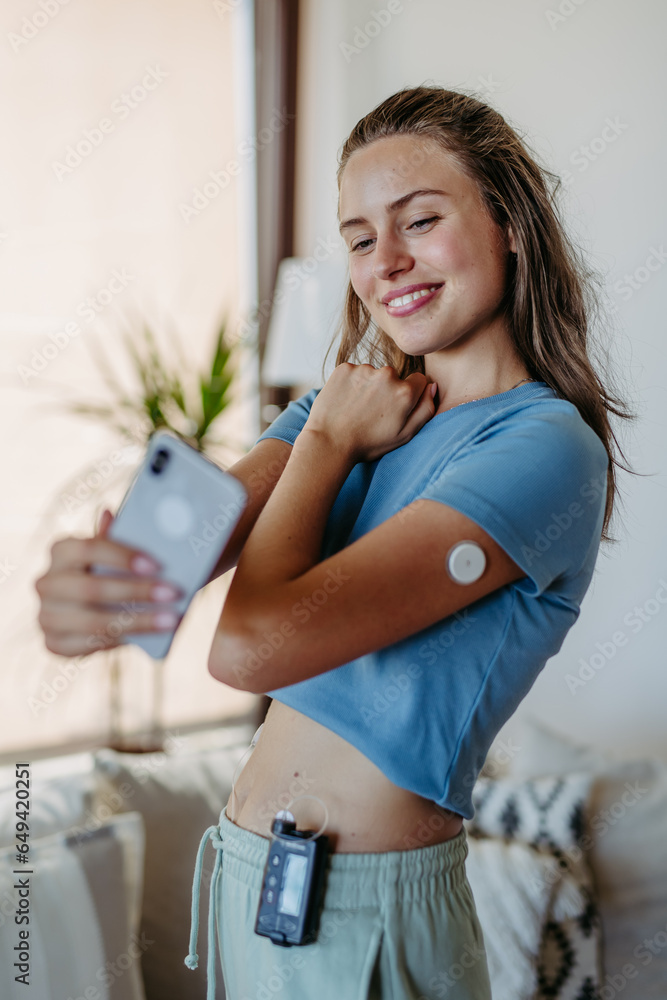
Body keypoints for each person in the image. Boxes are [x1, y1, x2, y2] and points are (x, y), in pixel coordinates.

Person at [35, 85, 634, 1000]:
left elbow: (248, 650)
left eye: (419, 220)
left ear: (510, 223)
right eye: (358, 238)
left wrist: (322, 443)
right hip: (246, 882)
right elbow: (161, 566)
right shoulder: (345, 408)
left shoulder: (544, 449)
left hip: (367, 911)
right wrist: (92, 597)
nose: (384, 261)